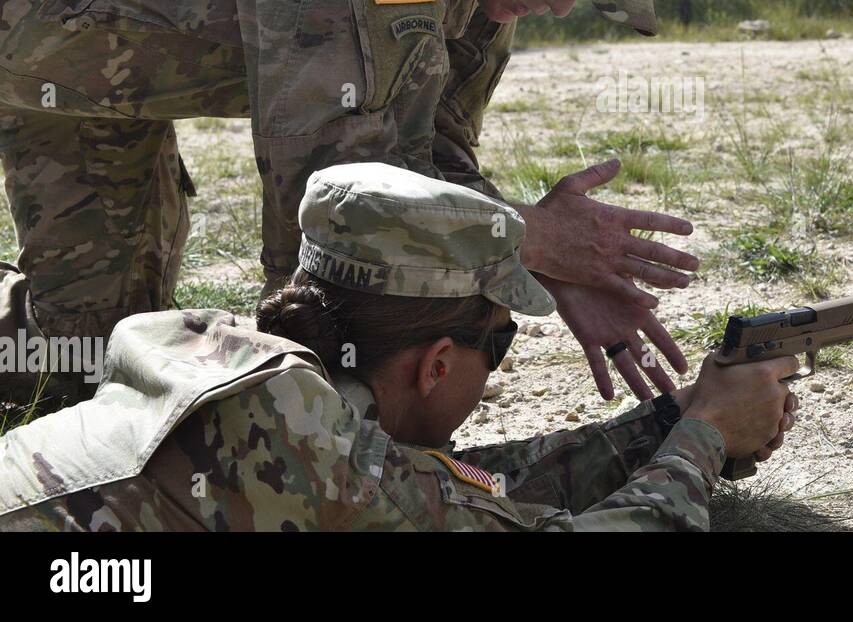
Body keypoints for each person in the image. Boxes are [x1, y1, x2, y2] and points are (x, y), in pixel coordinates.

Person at [0, 0, 693, 404]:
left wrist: (547, 265)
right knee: (322, 78)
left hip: (82, 69)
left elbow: (434, 167)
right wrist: (524, 237)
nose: (564, 4)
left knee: (84, 360)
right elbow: (333, 195)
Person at [0, 163, 798, 530]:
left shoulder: (240, 369)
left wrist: (665, 423)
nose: (498, 365)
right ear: (437, 364)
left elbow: (462, 487)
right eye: (502, 341)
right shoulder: (327, 461)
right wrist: (704, 442)